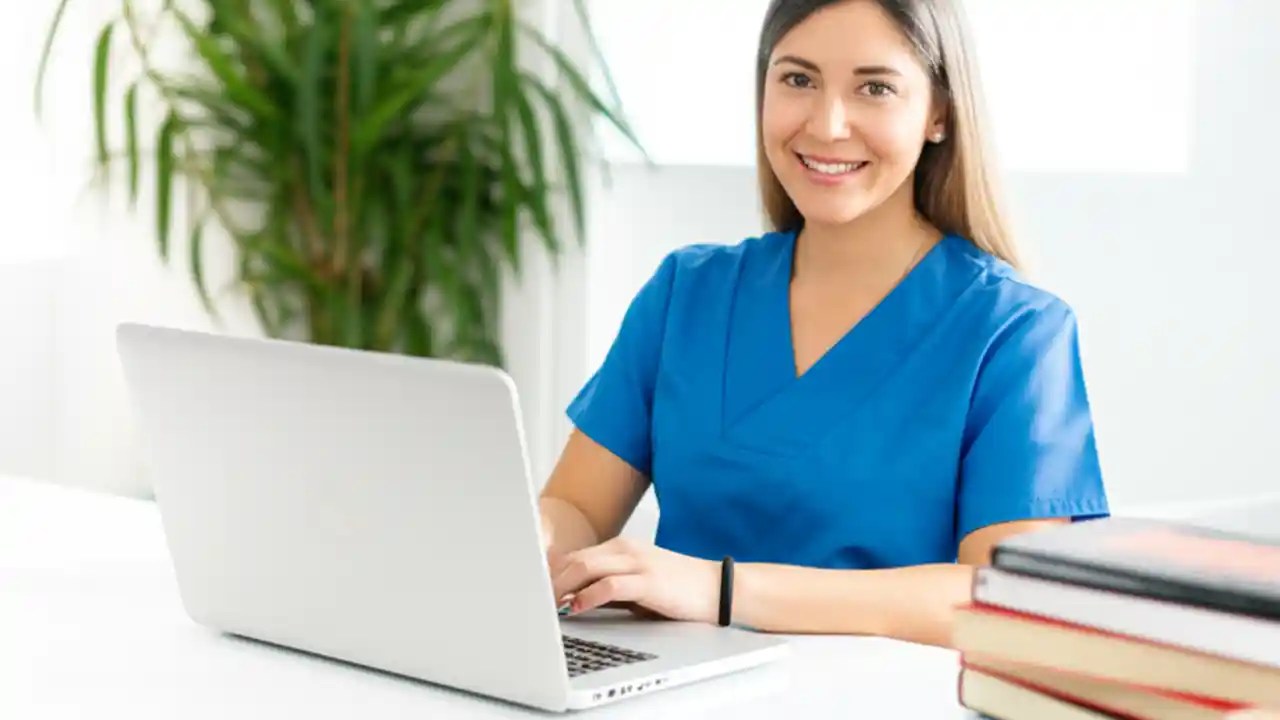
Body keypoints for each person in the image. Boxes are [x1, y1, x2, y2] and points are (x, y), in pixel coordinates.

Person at [538, 0, 1109, 648]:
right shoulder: (686, 296)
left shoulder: (1015, 334)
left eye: (875, 88)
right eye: (798, 79)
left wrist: (723, 590)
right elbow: (578, 508)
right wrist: (537, 539)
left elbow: (1006, 599)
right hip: (665, 694)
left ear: (939, 113)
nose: (828, 124)